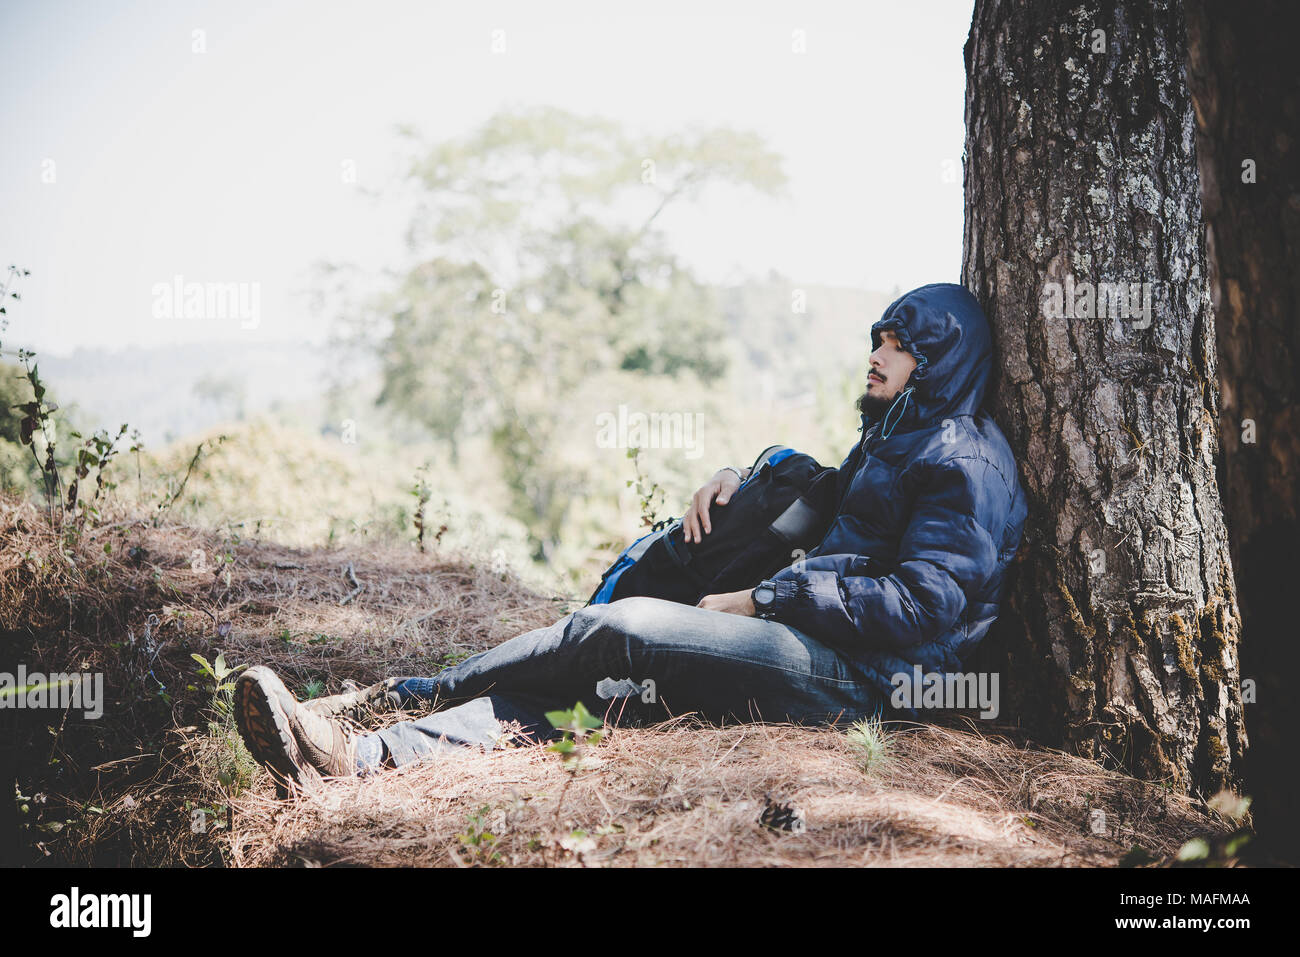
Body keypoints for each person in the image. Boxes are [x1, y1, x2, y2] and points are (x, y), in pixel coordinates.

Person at [234, 282, 1028, 792]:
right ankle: (359, 753)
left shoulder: (964, 460)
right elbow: (829, 499)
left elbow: (923, 605)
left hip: (869, 684)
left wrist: (765, 597)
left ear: (939, 358)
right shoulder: (898, 437)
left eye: (896, 342)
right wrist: (735, 476)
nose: (875, 353)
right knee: (601, 696)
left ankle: (388, 702)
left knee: (619, 631)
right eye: (878, 337)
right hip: (823, 646)